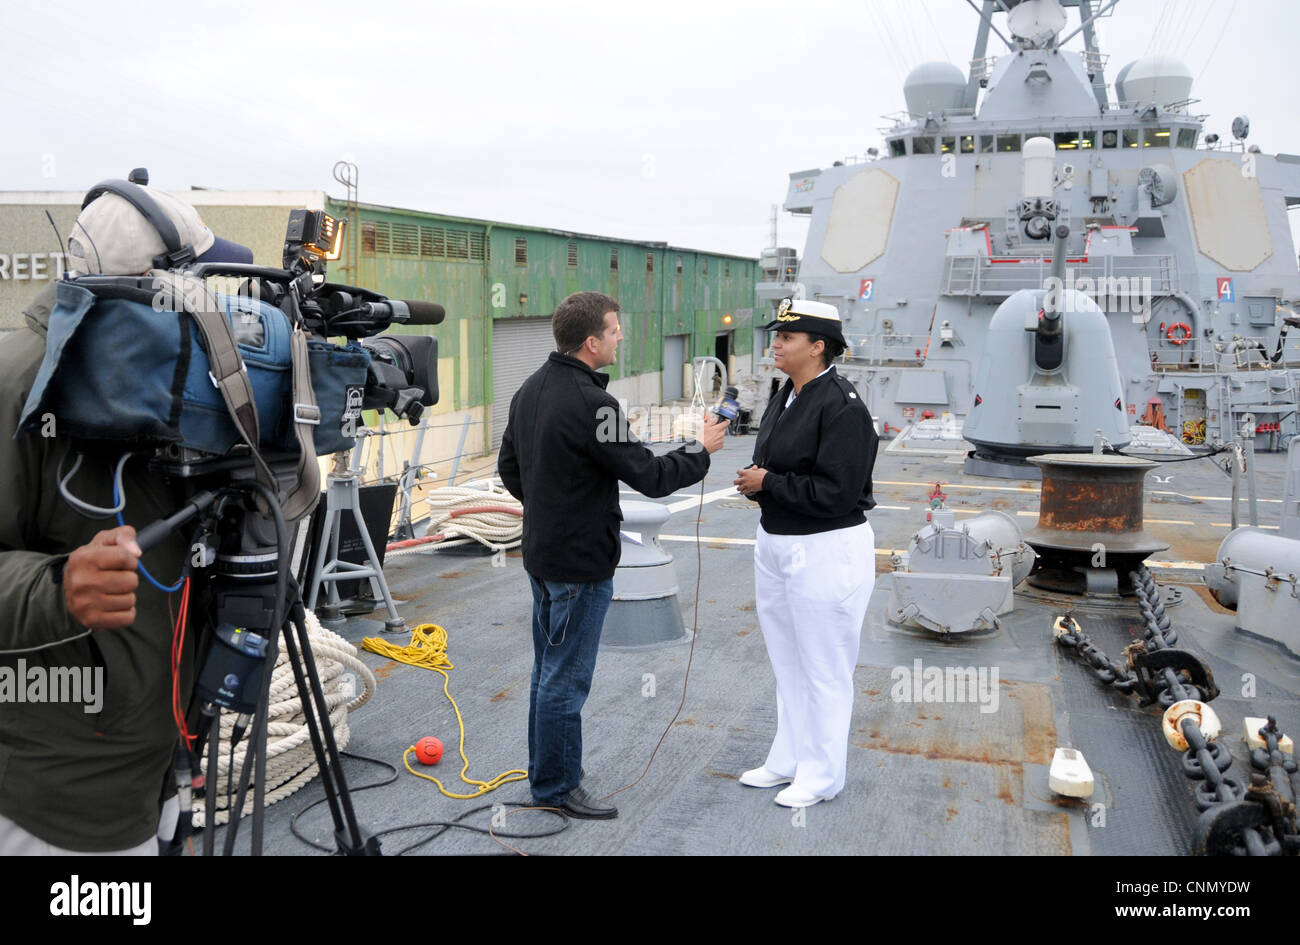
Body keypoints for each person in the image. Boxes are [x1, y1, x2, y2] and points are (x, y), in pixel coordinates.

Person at [0, 180, 252, 853]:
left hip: (158, 766)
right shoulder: (13, 383)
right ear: (151, 290)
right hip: (54, 801)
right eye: (202, 285)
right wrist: (57, 587)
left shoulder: (171, 386)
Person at [498, 291, 727, 819]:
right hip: (580, 565)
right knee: (566, 679)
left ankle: (549, 774)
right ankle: (555, 789)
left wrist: (551, 511)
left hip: (542, 557)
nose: (621, 336)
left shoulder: (529, 389)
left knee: (547, 671)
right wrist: (701, 449)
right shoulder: (595, 403)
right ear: (591, 341)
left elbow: (511, 470)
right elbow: (648, 476)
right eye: (615, 329)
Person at [732, 298, 878, 809]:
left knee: (824, 667)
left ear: (818, 347)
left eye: (786, 338)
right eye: (776, 336)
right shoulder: (787, 395)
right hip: (778, 541)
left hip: (826, 548)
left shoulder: (843, 406)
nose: (775, 344)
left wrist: (768, 481)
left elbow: (838, 493)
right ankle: (788, 758)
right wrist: (759, 485)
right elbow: (771, 461)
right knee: (788, 661)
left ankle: (821, 776)